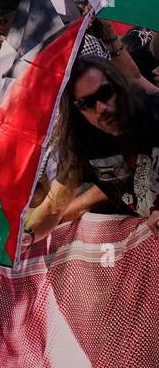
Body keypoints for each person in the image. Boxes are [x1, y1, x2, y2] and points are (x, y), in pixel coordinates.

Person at [23, 56, 159, 245]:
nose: (101, 108)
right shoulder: (85, 145)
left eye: (105, 93)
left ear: (119, 85)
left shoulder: (154, 112)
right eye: (86, 104)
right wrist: (26, 238)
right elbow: (54, 208)